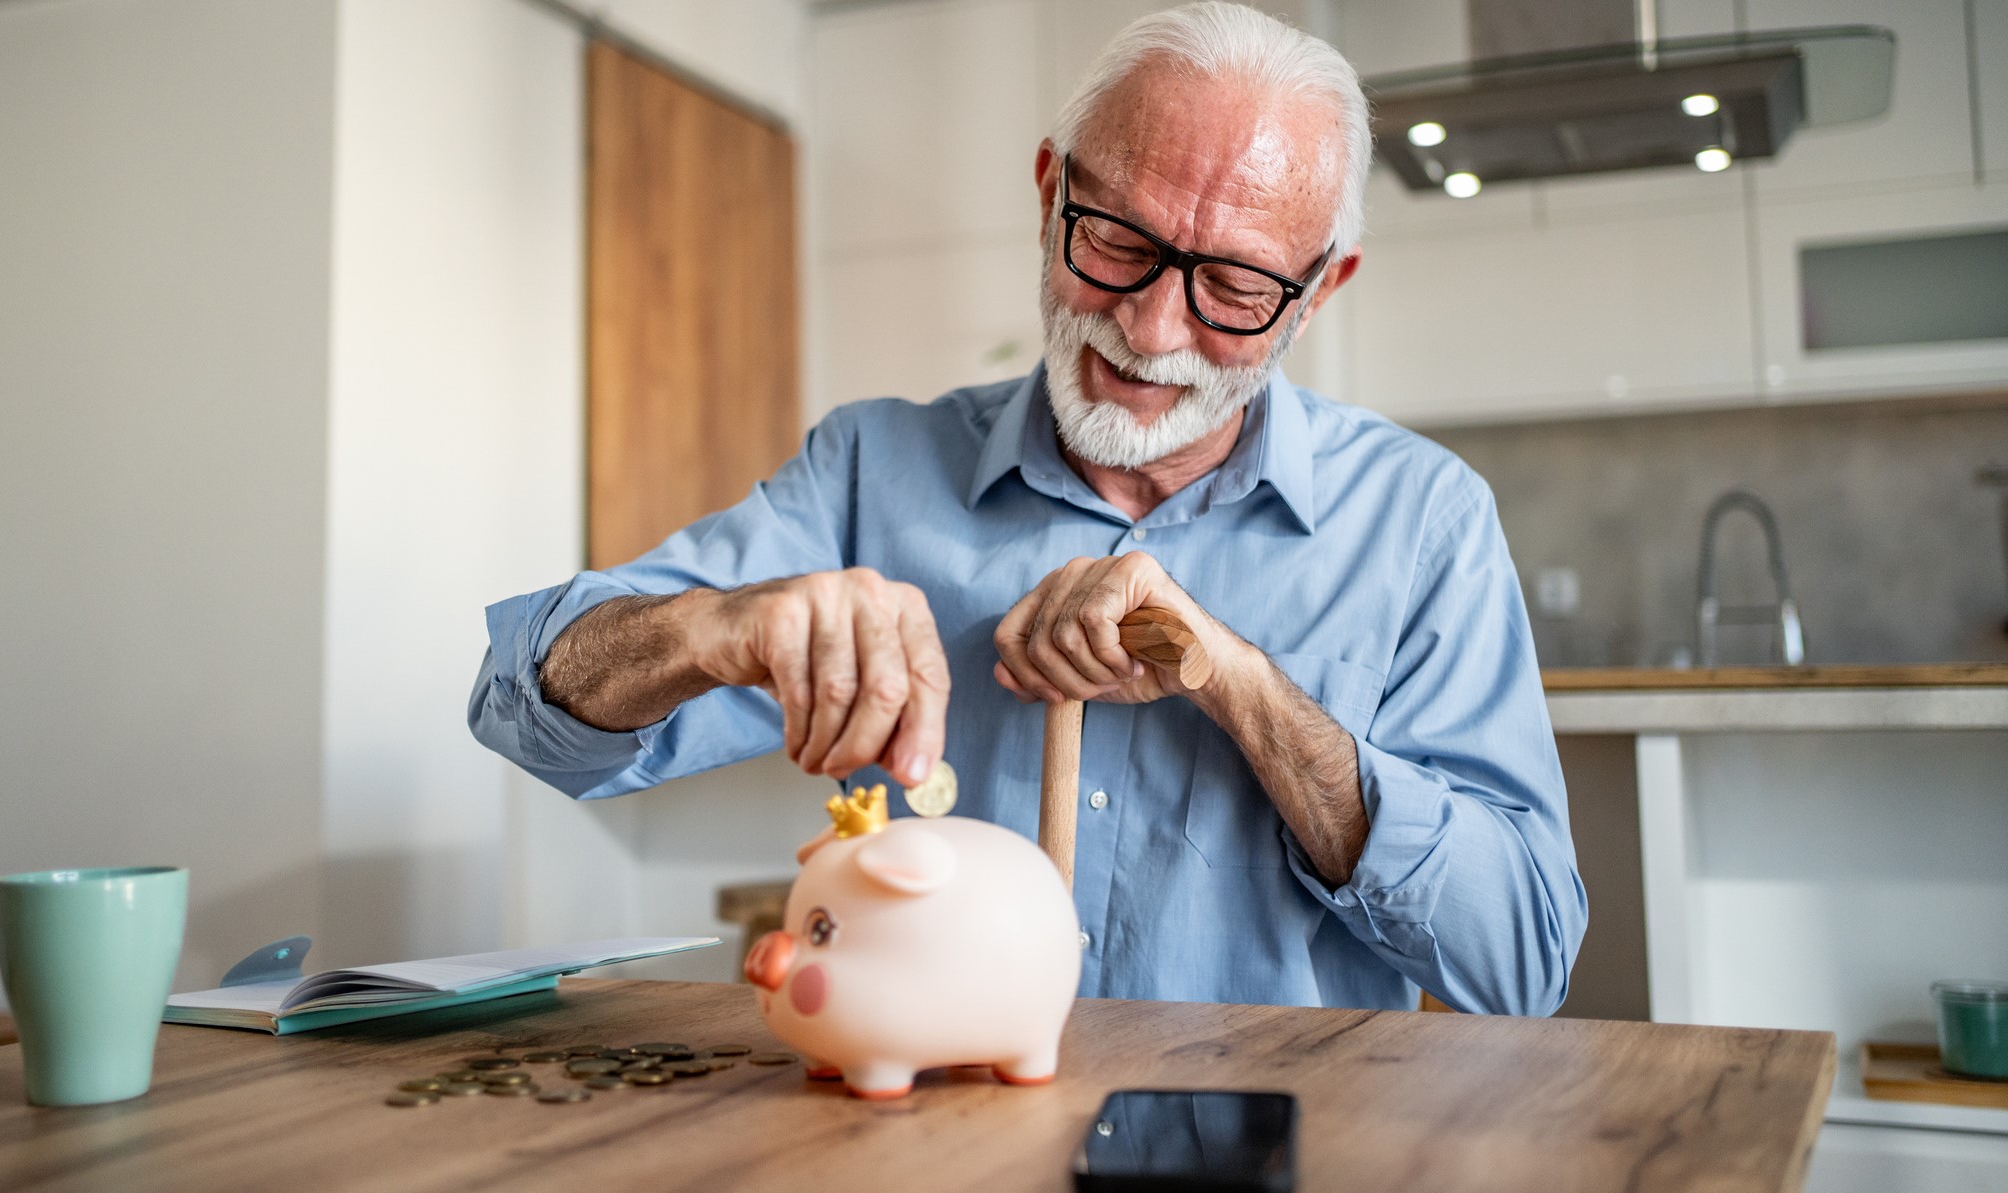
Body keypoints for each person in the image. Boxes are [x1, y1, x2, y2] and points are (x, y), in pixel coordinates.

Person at [470, 2, 1585, 1014]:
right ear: (1051, 191)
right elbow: (526, 715)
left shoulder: (1422, 519)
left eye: (1234, 286)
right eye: (1117, 240)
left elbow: (1520, 959)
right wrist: (707, 627)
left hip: (1276, 1137)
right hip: (934, 1130)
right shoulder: (870, 471)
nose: (1150, 329)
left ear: (1317, 292)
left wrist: (1237, 683)